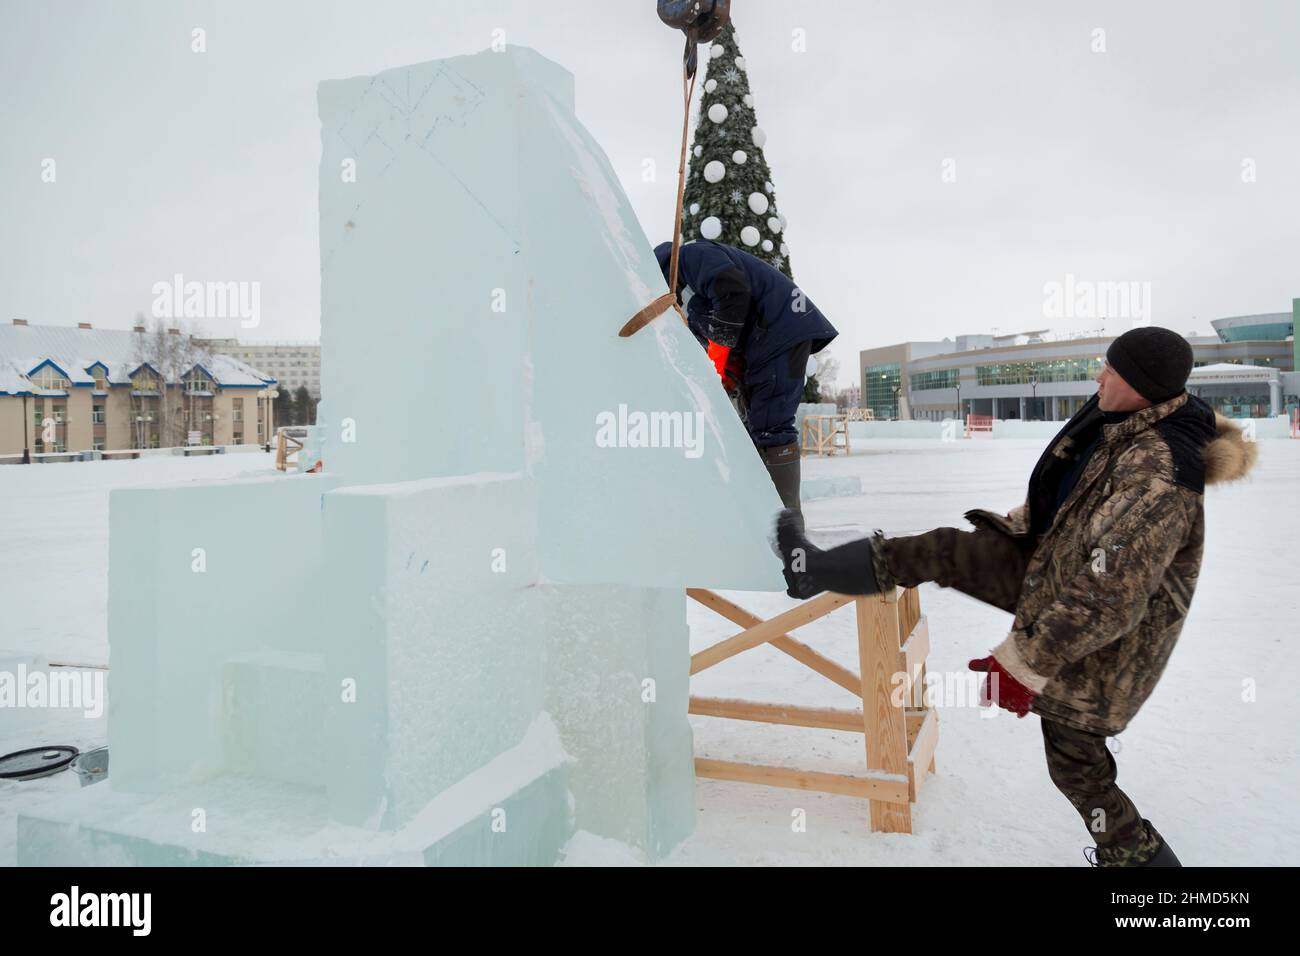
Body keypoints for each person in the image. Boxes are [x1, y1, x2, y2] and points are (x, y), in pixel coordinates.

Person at [773, 326, 1257, 866]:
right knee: (942, 550)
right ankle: (811, 569)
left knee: (1076, 764)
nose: (1099, 377)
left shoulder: (1160, 471)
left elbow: (1111, 597)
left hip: (1107, 638)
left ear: (1142, 387)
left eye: (1112, 372)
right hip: (1055, 573)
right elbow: (1073, 497)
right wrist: (1021, 525)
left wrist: (1024, 663)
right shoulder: (1122, 424)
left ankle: (1147, 869)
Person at [654, 239, 837, 509]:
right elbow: (715, 335)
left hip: (779, 330)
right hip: (761, 341)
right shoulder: (680, 299)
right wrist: (726, 376)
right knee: (753, 424)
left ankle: (785, 526)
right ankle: (761, 518)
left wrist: (716, 359)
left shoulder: (688, 258)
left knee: (770, 424)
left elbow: (732, 291)